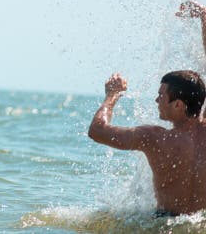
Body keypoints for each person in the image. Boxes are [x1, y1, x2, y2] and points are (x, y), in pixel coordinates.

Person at [88, 71, 206, 216]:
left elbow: (97, 130)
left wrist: (112, 95)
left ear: (178, 105)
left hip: (165, 223)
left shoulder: (154, 138)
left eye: (161, 95)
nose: (157, 100)